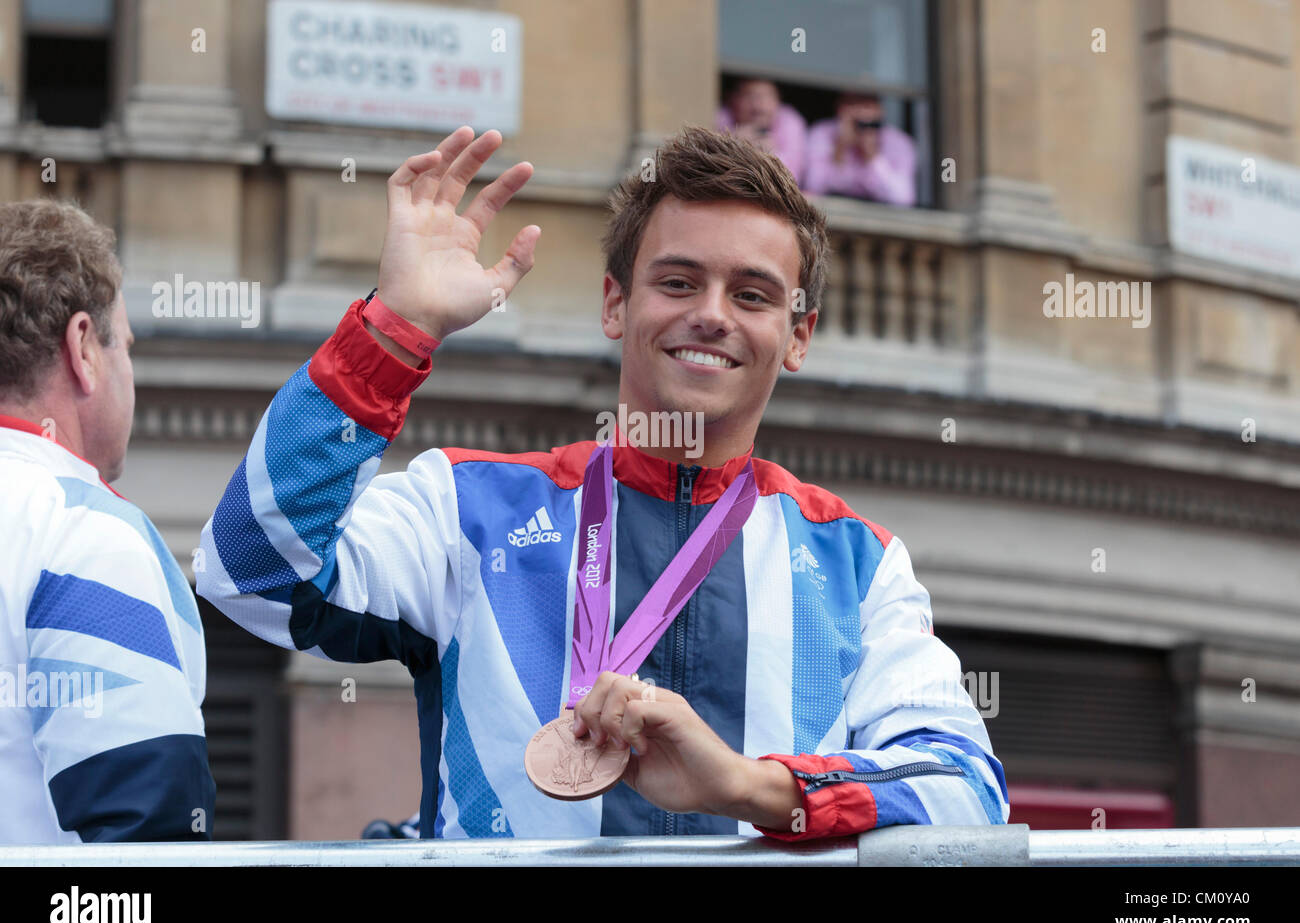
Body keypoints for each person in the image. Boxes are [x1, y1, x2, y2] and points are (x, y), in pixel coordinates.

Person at [197, 125, 1008, 840]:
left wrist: (751, 787)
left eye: (752, 294)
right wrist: (392, 332)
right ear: (616, 304)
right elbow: (251, 571)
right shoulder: (467, 510)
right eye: (678, 282)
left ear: (797, 336)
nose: (713, 315)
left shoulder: (857, 564)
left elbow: (966, 789)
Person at [0, 199, 215, 843]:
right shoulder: (82, 532)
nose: (130, 372)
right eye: (125, 346)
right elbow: (147, 843)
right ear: (83, 348)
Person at [803, 91, 917, 206]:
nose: (860, 113)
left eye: (866, 105)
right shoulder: (821, 133)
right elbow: (813, 188)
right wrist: (840, 148)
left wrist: (872, 156)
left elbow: (903, 199)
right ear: (839, 108)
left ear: (879, 111)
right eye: (852, 104)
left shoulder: (898, 142)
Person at [716, 77, 808, 184]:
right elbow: (711, 172)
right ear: (734, 100)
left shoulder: (789, 120)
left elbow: (793, 179)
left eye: (766, 96)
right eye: (749, 96)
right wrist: (732, 145)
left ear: (778, 100)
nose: (758, 105)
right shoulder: (721, 117)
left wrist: (772, 155)